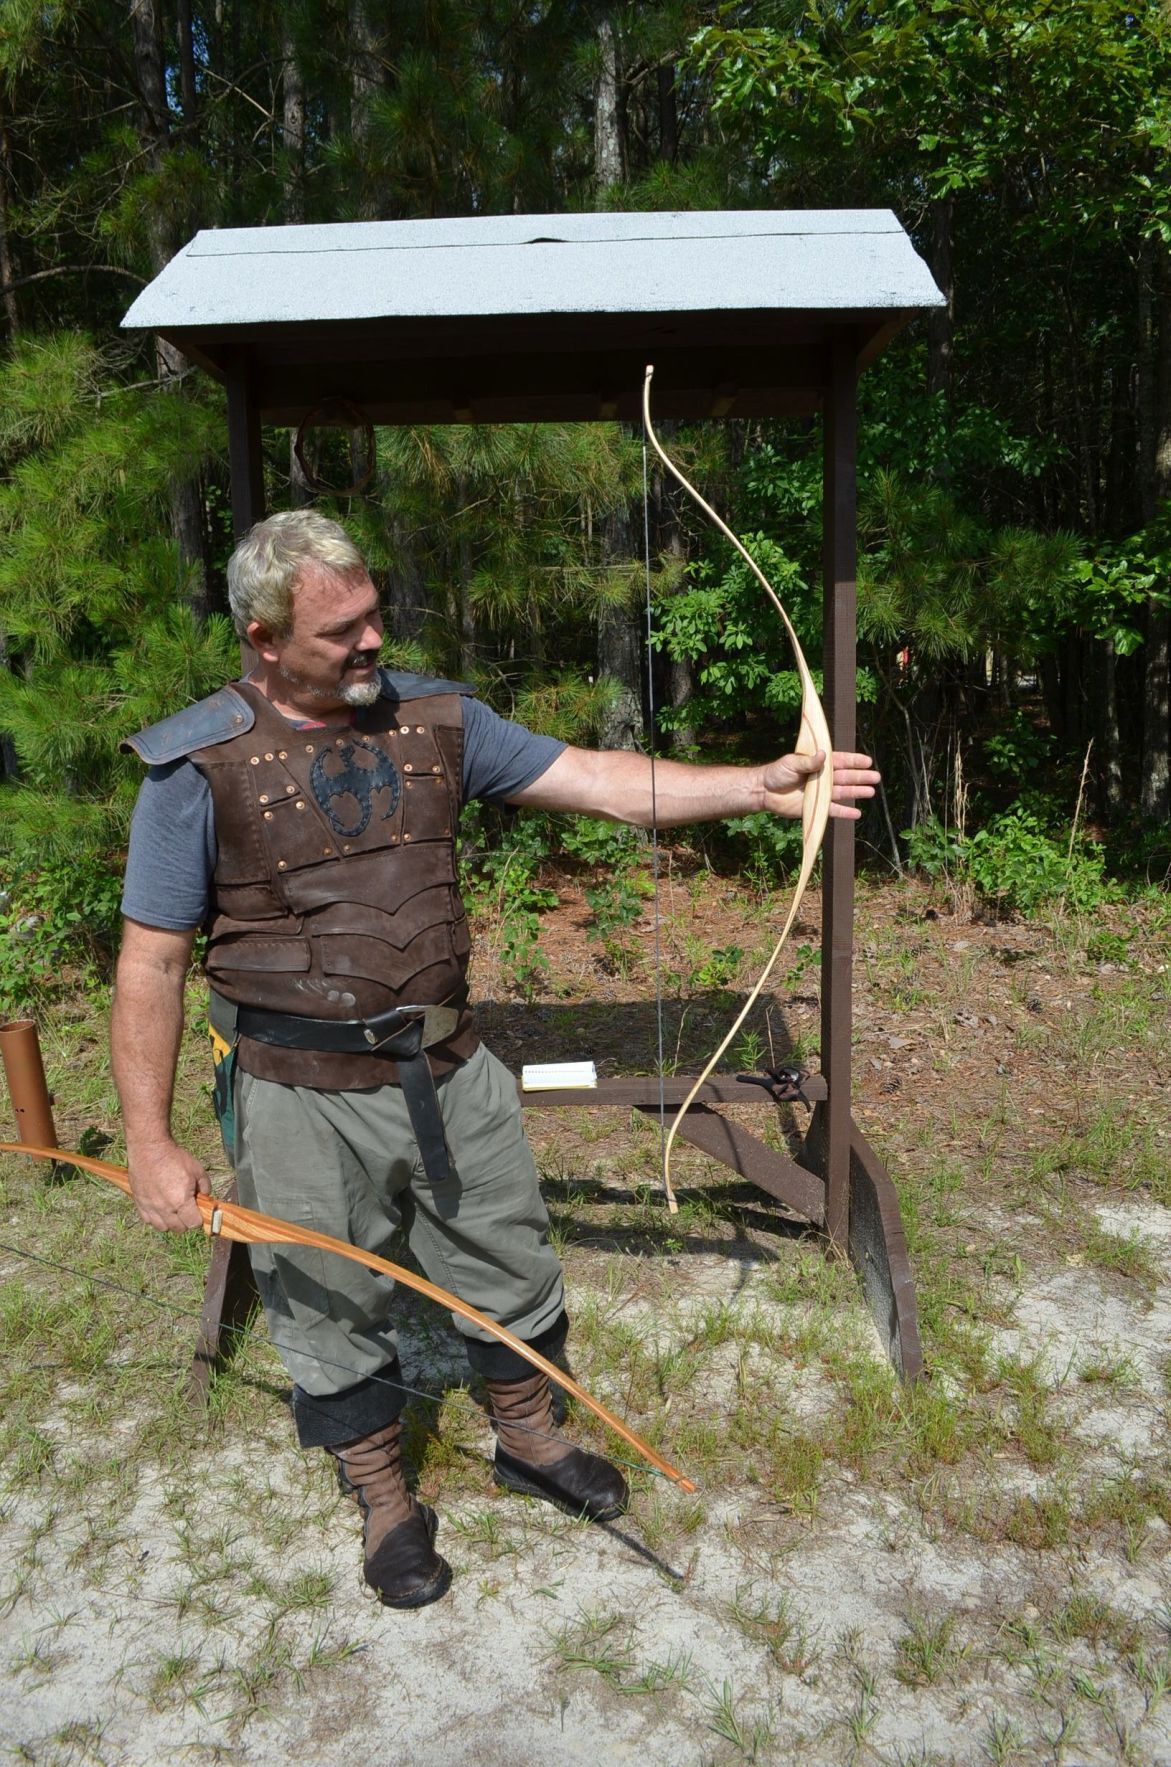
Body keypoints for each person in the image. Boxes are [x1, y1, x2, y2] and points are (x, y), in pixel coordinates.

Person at [111, 510, 879, 1611]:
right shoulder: (194, 765)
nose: (372, 642)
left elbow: (604, 779)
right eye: (341, 632)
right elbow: (151, 963)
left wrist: (753, 786)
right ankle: (383, 1498)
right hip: (295, 1093)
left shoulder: (436, 717)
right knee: (325, 1301)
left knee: (509, 1256)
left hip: (450, 1067)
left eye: (375, 614)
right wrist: (148, 1138)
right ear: (263, 640)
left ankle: (529, 1439)